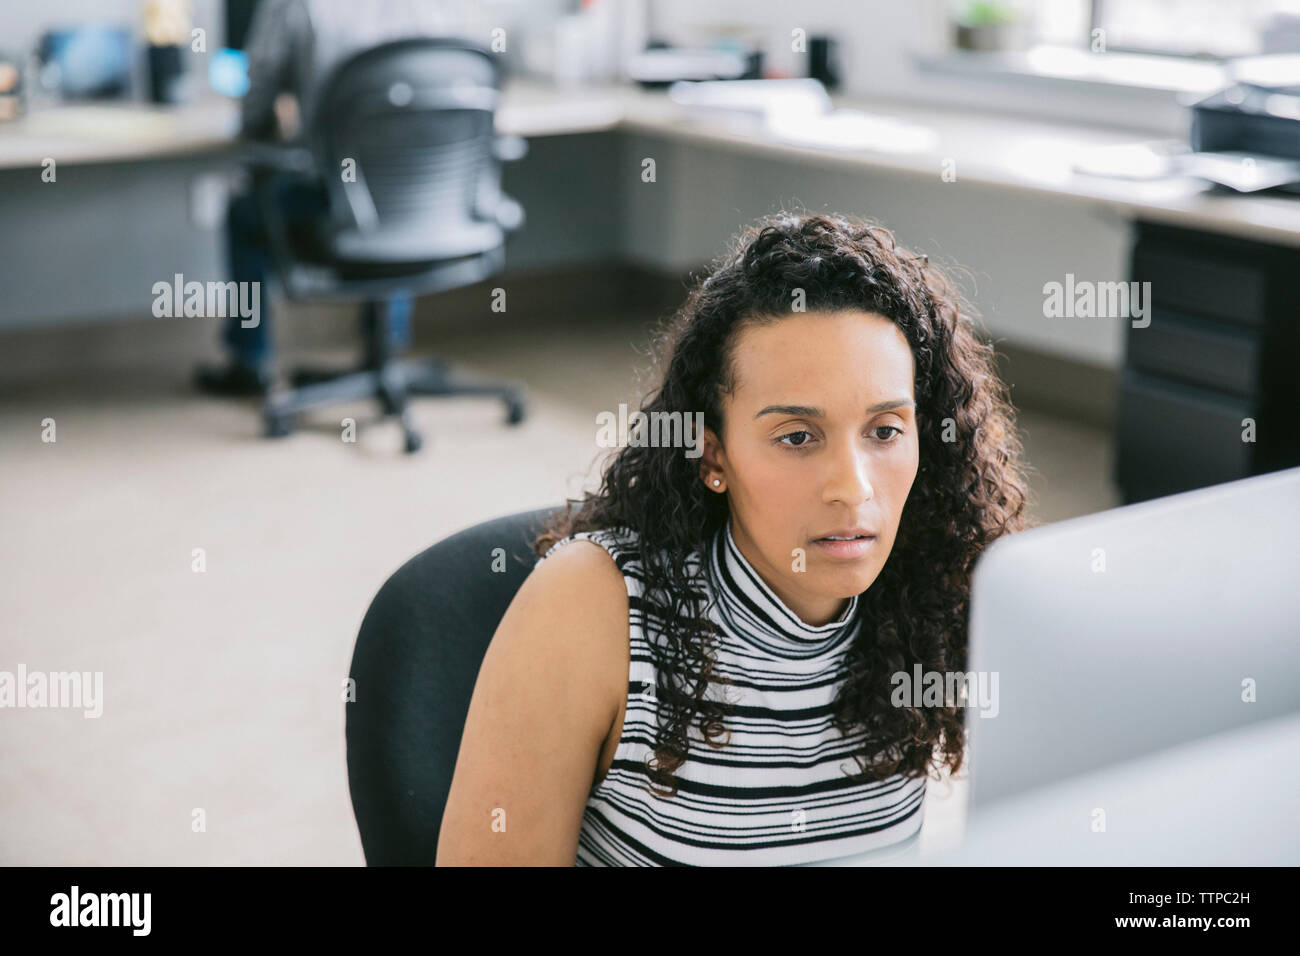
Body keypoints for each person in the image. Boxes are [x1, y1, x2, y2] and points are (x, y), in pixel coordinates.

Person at [434, 210, 1037, 866]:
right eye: (797, 437)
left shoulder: (933, 593)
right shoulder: (592, 607)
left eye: (885, 431)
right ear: (714, 457)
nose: (854, 488)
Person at [195, 0, 473, 396]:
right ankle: (387, 348)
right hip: (433, 198)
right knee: (393, 195)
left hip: (342, 207)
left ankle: (249, 362)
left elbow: (258, 91)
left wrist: (259, 126)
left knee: (245, 211)